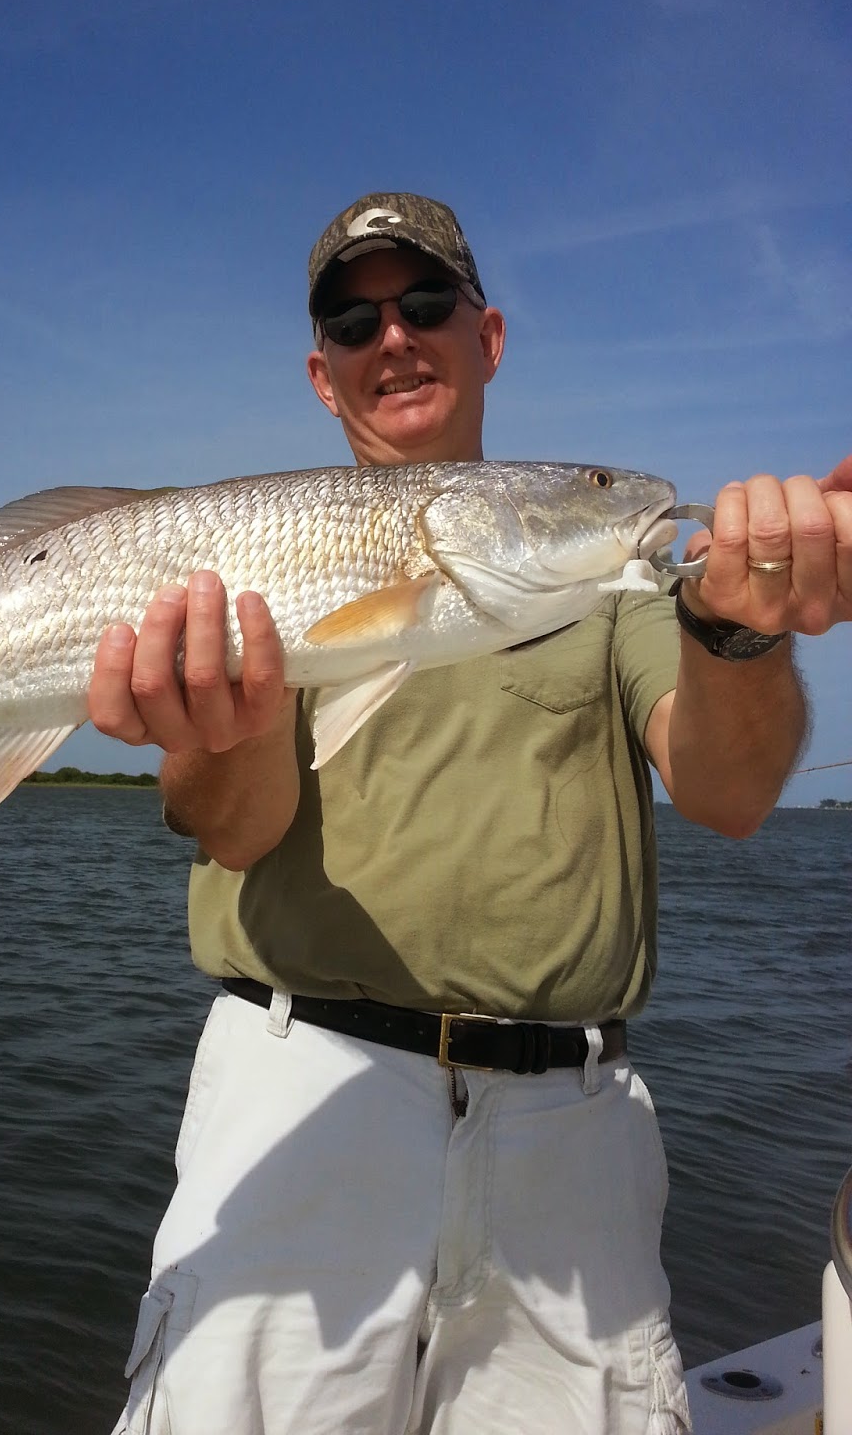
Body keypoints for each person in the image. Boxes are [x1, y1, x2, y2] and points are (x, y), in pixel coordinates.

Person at [91, 192, 852, 1435]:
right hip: (301, 1093)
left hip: (569, 1129)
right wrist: (221, 721)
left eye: (426, 302)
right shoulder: (258, 574)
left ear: (487, 337)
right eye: (354, 322)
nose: (393, 337)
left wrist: (738, 632)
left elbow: (728, 792)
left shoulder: (613, 577)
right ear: (323, 375)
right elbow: (235, 831)